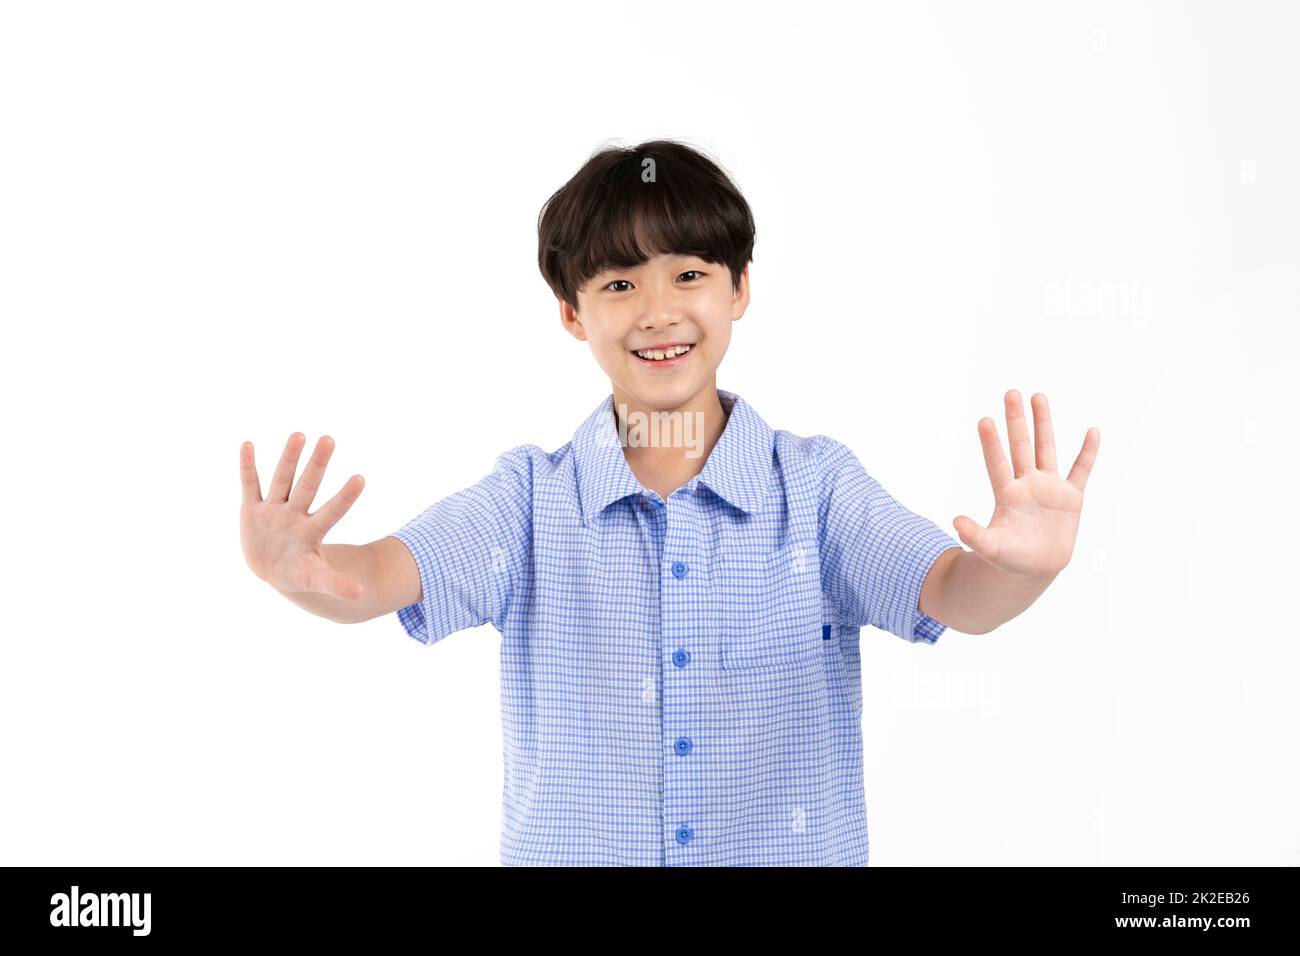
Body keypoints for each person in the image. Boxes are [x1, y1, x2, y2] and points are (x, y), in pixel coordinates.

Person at [238, 139, 1100, 866]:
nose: (657, 312)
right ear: (573, 314)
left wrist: (1021, 573)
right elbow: (384, 573)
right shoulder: (530, 502)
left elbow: (953, 593)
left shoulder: (818, 490)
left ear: (739, 291)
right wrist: (301, 573)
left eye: (688, 274)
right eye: (618, 285)